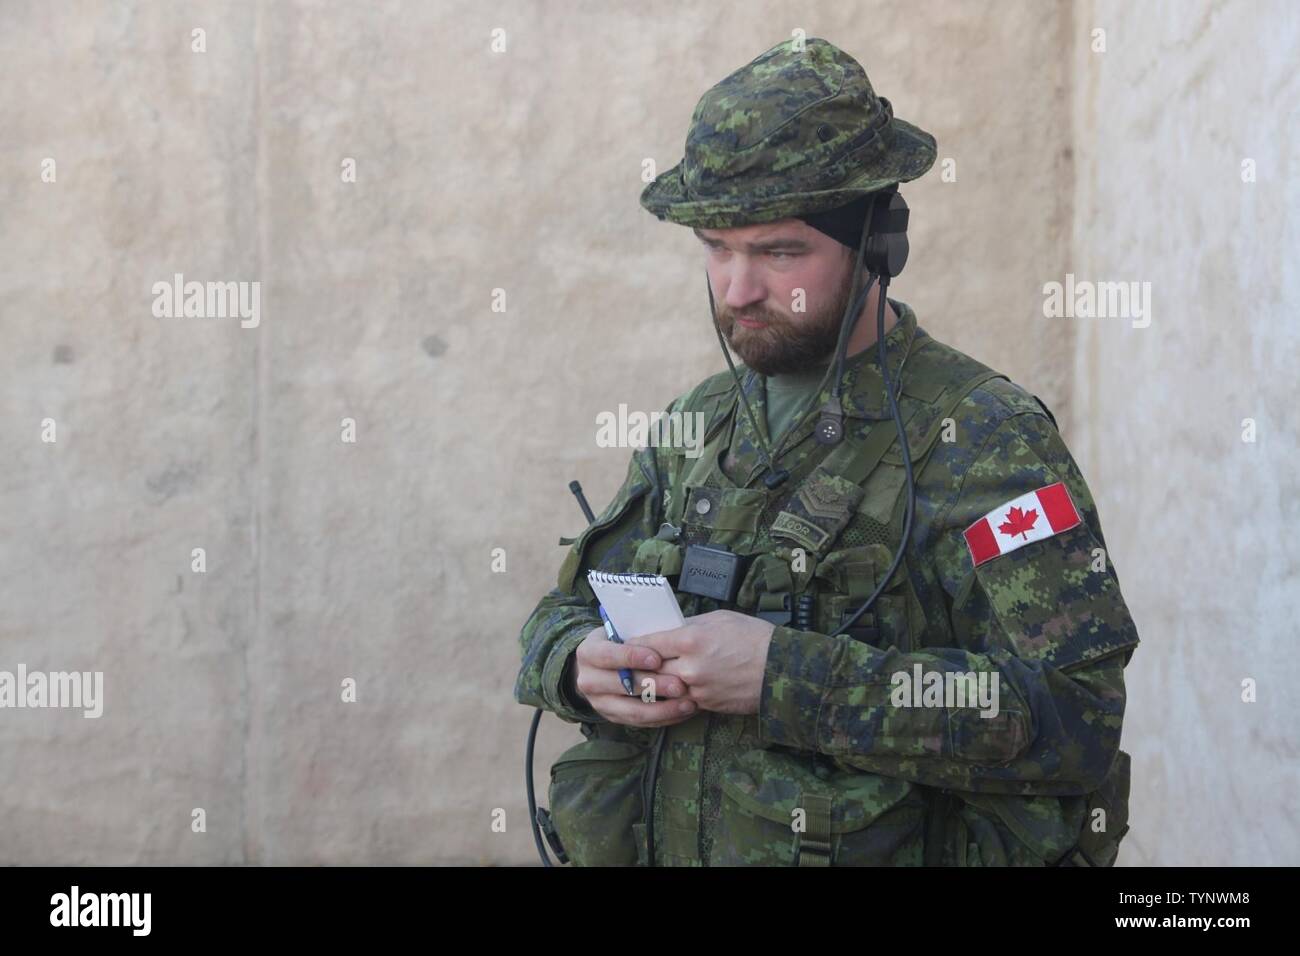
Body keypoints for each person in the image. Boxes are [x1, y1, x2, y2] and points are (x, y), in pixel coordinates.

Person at [515, 36, 1139, 867]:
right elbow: (558, 617)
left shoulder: (984, 437)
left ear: (880, 243)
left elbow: (1072, 717)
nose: (737, 290)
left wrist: (785, 677)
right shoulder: (698, 425)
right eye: (716, 248)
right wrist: (578, 662)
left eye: (777, 251)